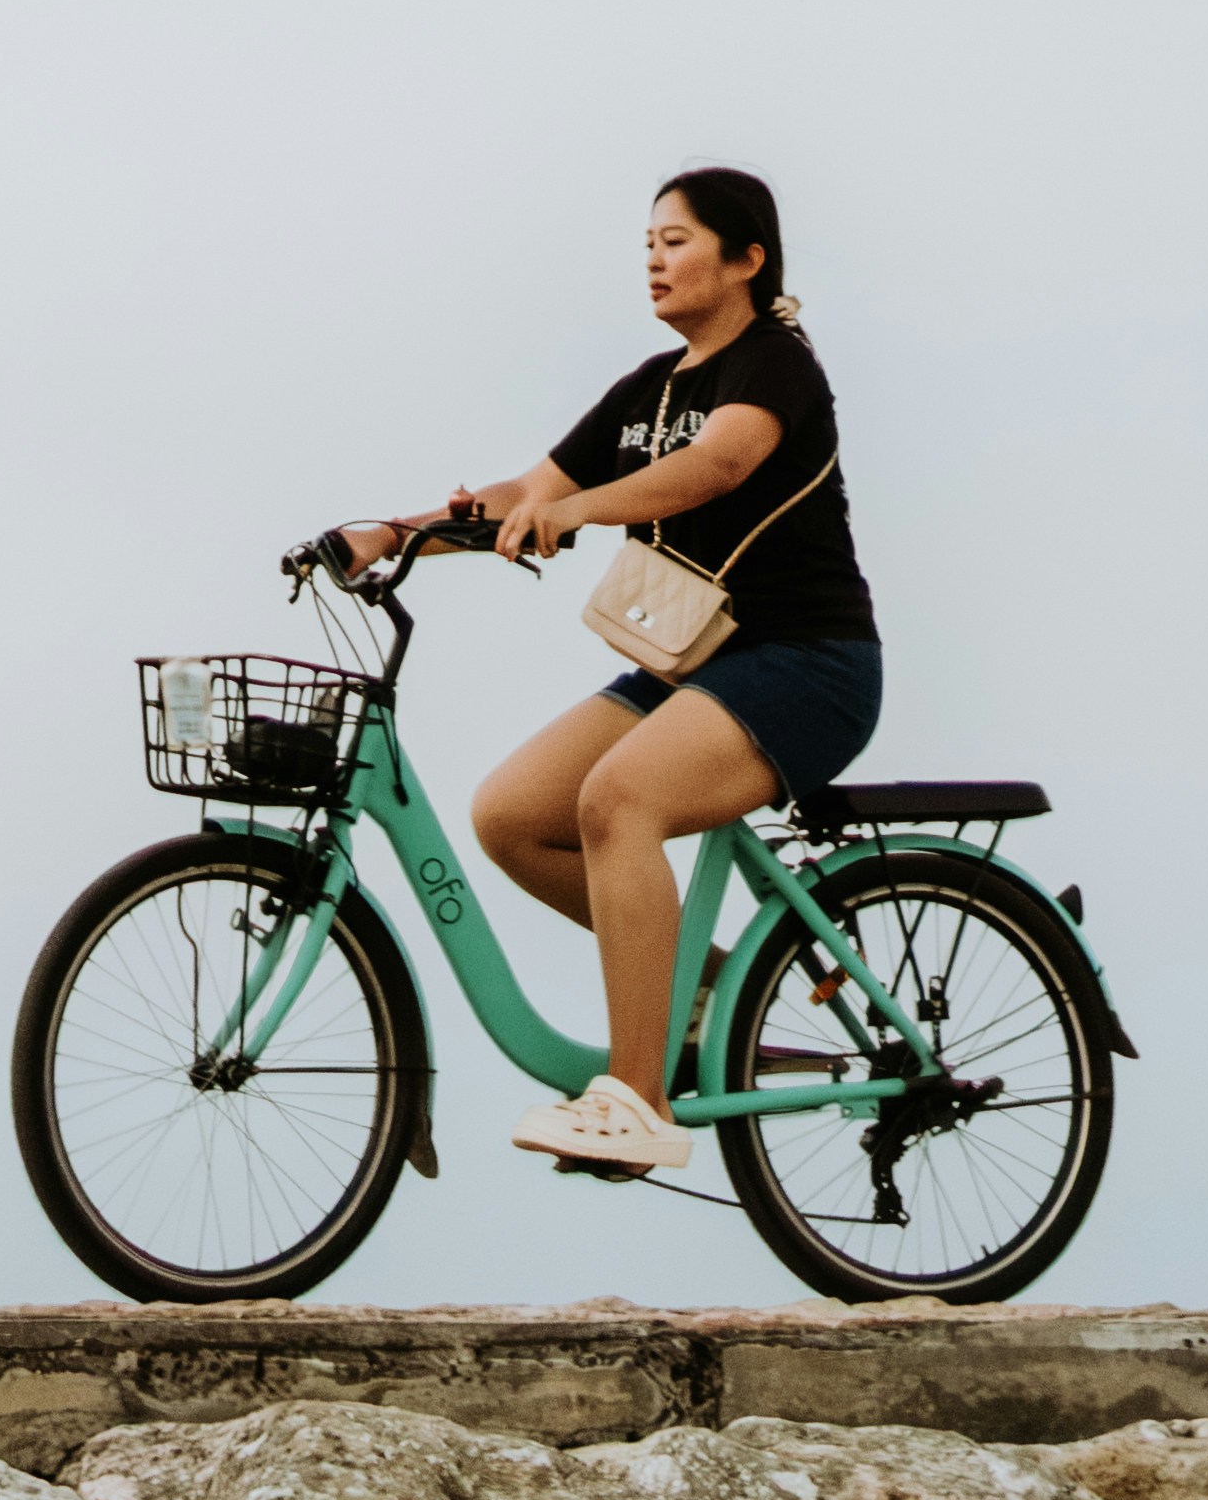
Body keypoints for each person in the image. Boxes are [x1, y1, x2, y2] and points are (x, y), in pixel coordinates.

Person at [347, 163, 884, 1190]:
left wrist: (583, 513)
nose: (653, 257)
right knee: (513, 815)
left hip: (809, 665)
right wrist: (388, 532)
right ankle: (709, 1005)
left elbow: (717, 467)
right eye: (647, 242)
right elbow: (525, 492)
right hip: (700, 670)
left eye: (676, 240)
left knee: (617, 800)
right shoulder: (649, 390)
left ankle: (638, 1100)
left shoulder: (775, 365)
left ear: (746, 259)